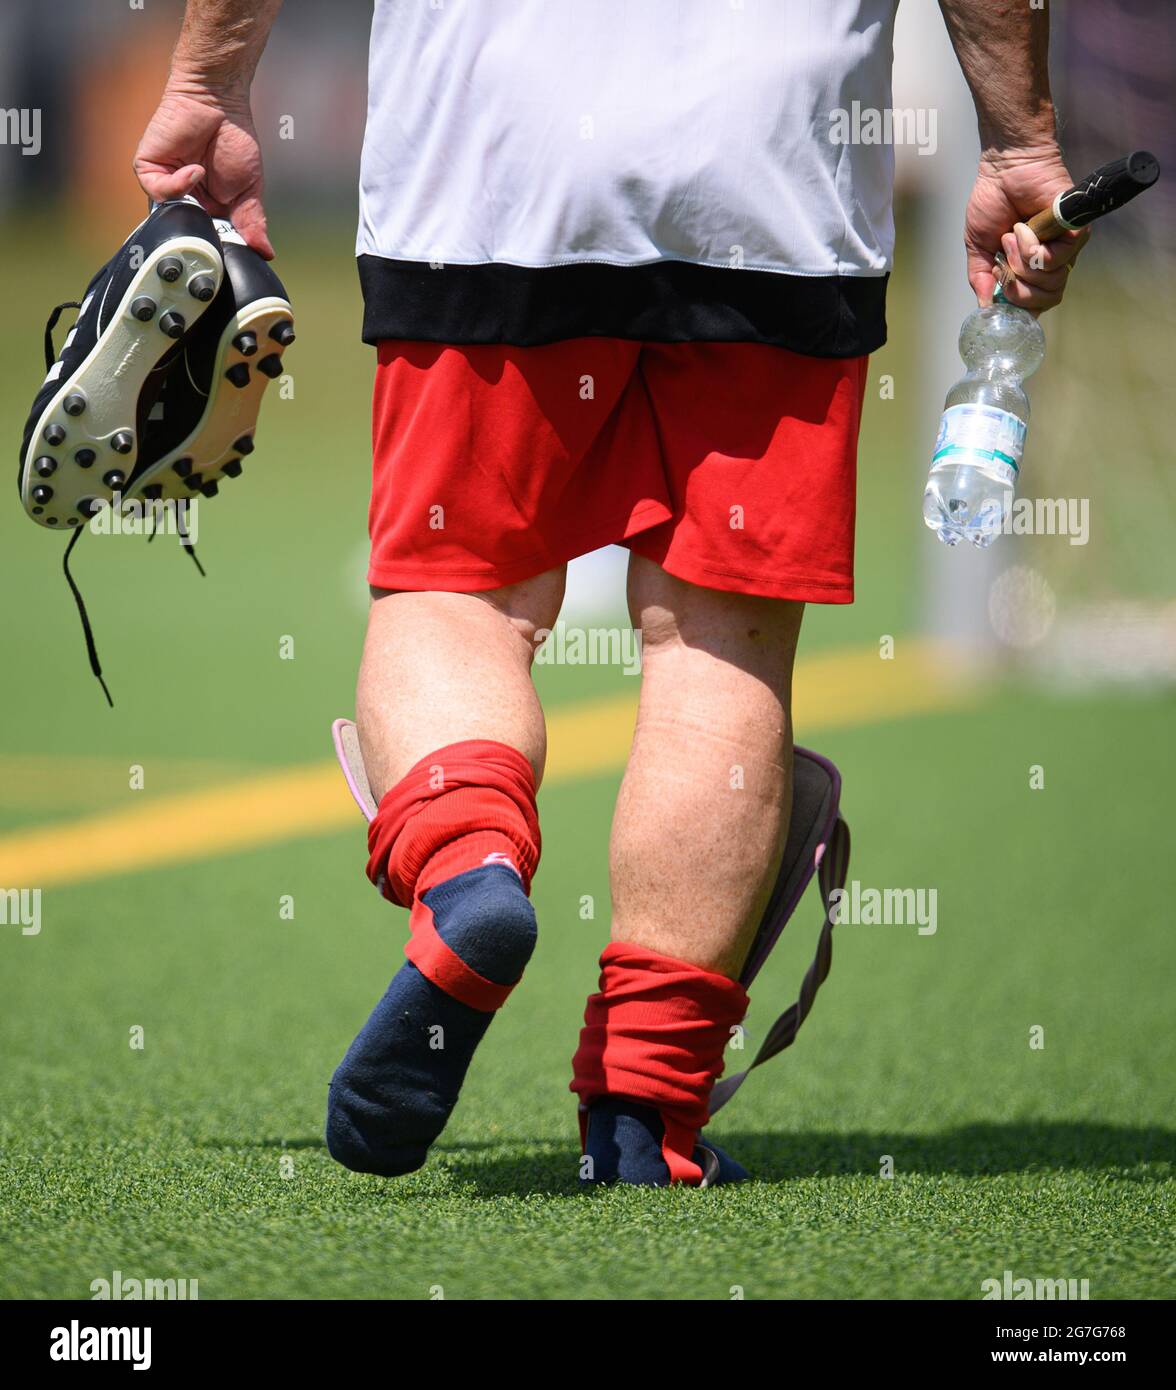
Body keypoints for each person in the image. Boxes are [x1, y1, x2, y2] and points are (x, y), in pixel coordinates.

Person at [135, 0, 1086, 1186]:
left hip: (490, 142)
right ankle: (647, 1117)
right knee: (719, 641)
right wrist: (1016, 140)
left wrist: (213, 76)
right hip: (775, 163)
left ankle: (470, 874)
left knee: (461, 596)